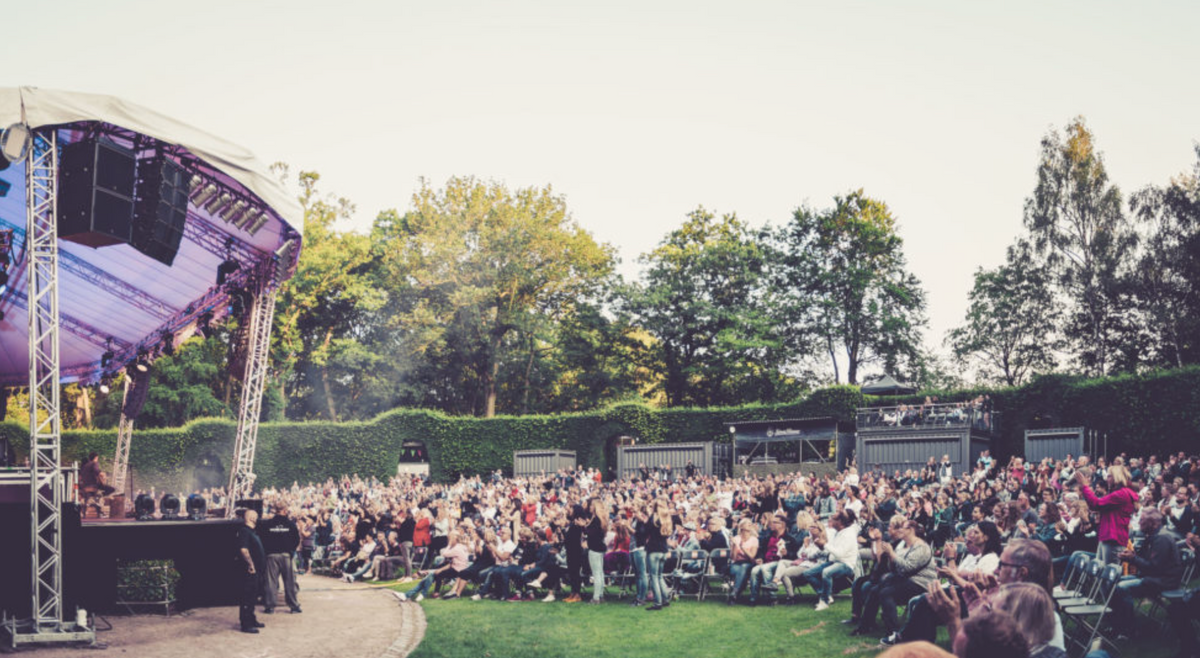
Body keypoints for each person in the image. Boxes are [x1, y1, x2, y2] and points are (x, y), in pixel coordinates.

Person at [1075, 464, 1137, 564]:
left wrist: (1085, 486)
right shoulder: (1121, 493)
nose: (1106, 479)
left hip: (1113, 538)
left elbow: (1095, 504)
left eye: (1109, 476)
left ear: (1117, 477)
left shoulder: (1121, 494)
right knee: (1100, 569)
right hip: (1108, 536)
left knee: (1108, 570)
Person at [257, 502, 301, 614]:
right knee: (290, 582)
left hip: (271, 556)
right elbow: (296, 539)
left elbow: (262, 539)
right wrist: (291, 551)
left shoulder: (267, 524)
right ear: (284, 510)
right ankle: (294, 606)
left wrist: (268, 551)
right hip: (286, 555)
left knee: (271, 582)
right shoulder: (290, 524)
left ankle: (270, 607)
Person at [236, 508, 267, 634]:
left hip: (256, 570)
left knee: (253, 596)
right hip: (249, 571)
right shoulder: (244, 531)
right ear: (251, 518)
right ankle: (246, 624)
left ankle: (251, 619)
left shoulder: (252, 531)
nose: (257, 518)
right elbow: (243, 550)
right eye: (256, 516)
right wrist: (251, 564)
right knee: (247, 597)